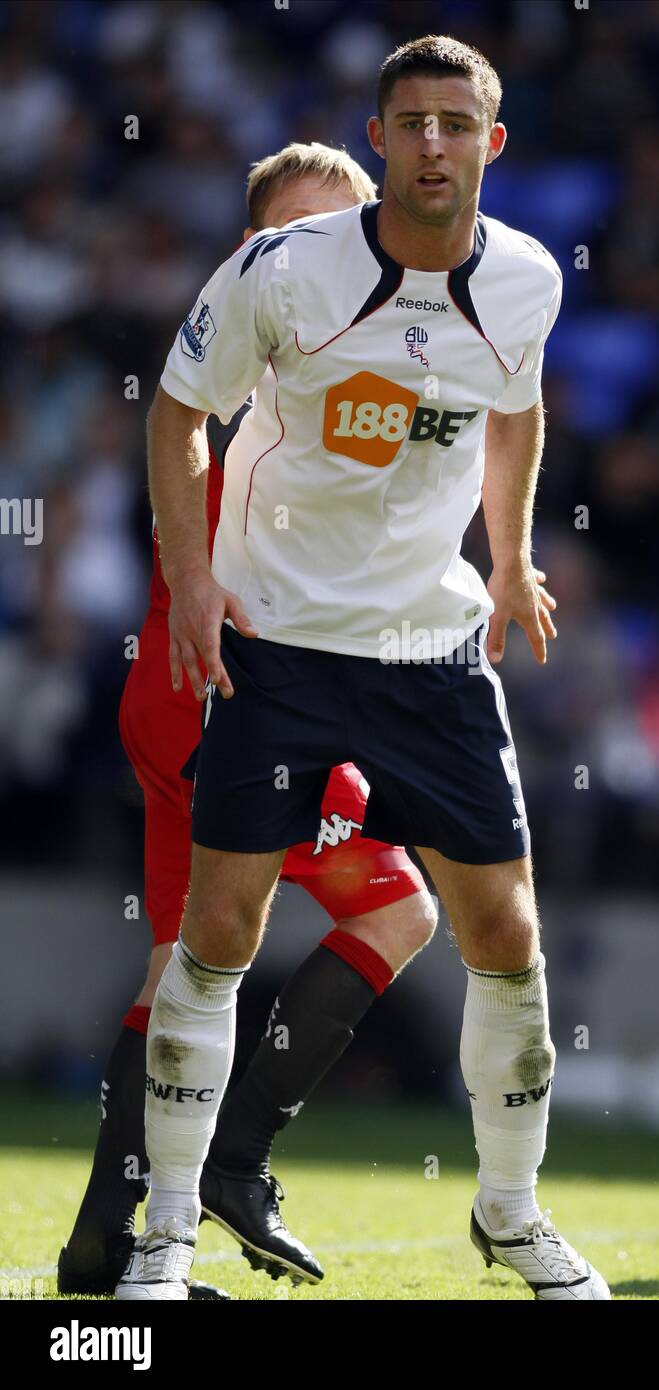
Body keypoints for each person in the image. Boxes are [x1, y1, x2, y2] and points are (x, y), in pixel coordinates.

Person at [119, 35, 608, 1302]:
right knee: (217, 931)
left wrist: (506, 561)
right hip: (277, 646)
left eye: (457, 122)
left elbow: (518, 403)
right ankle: (162, 1234)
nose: (433, 143)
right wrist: (188, 582)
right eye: (410, 122)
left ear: (490, 144)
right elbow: (175, 410)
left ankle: (507, 1215)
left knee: (503, 935)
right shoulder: (284, 270)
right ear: (378, 138)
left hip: (430, 655)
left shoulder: (526, 281)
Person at [59, 144, 440, 1299]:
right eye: (300, 236)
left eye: (348, 233)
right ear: (251, 254)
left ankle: (98, 1251)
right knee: (399, 908)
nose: (331, 259)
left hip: (180, 694)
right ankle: (233, 1157)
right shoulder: (265, 382)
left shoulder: (298, 377)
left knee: (177, 969)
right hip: (236, 698)